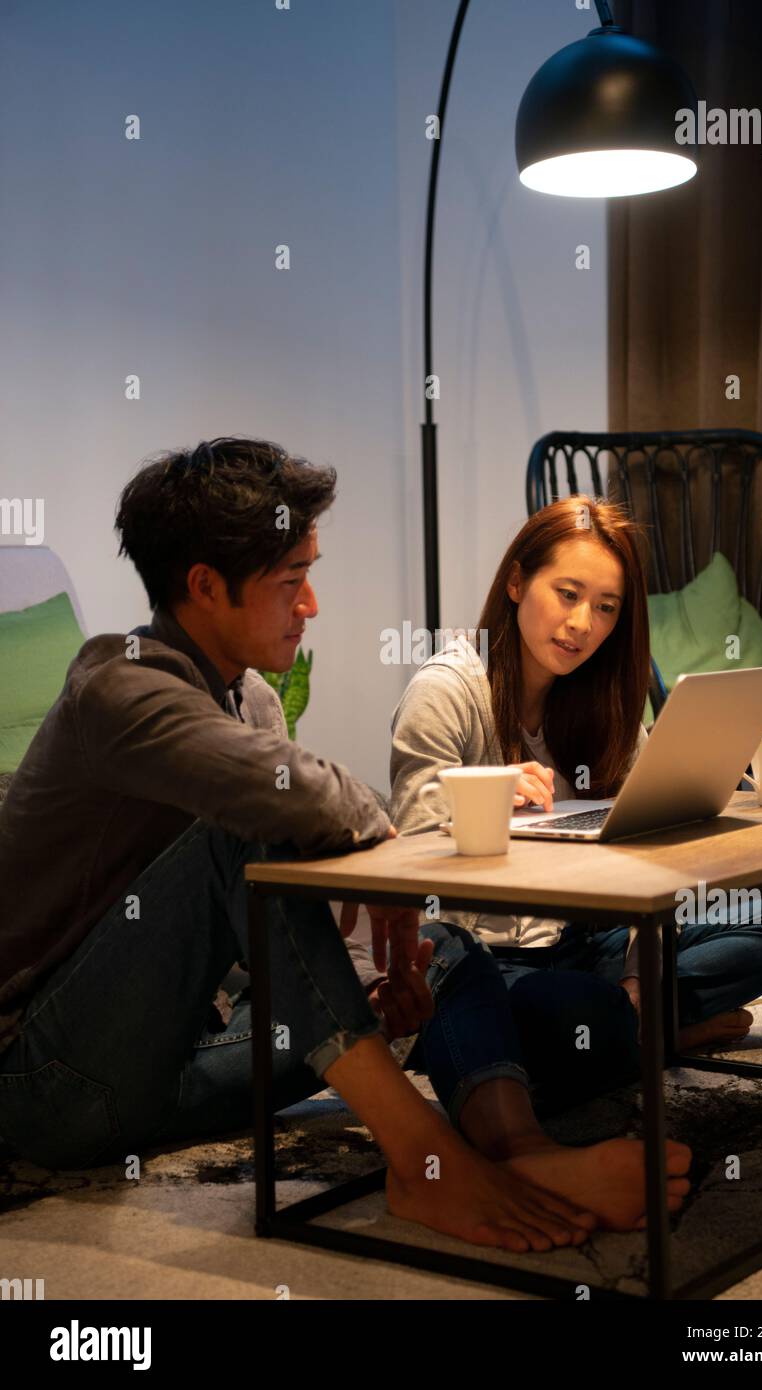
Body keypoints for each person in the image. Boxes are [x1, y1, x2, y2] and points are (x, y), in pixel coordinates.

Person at [1, 437, 660, 1254]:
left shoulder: (248, 700)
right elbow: (301, 794)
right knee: (234, 845)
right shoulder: (118, 684)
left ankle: (516, 1154)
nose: (310, 606)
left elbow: (245, 925)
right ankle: (423, 1158)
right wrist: (378, 862)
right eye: (290, 582)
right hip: (46, 1082)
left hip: (183, 1050)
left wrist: (369, 978)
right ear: (205, 587)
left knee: (441, 946)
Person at [388, 495, 762, 1209]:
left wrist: (703, 783)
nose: (583, 624)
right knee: (571, 1009)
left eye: (607, 607)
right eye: (568, 595)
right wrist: (490, 792)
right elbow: (408, 849)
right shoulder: (446, 690)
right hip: (491, 954)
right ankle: (648, 1025)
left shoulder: (595, 691)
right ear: (517, 582)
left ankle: (635, 1017)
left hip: (585, 931)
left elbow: (648, 790)